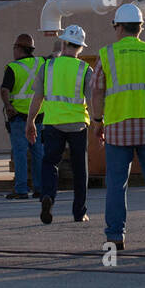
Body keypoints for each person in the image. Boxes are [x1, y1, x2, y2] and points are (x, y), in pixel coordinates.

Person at [93, 3, 145, 250]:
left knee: (117, 184)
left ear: (117, 27)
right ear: (140, 28)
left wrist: (98, 121)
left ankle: (115, 238)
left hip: (118, 127)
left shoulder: (106, 54)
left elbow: (97, 92)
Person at [26, 23, 94, 224]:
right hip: (78, 125)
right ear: (80, 47)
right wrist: (100, 122)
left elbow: (37, 98)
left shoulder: (47, 67)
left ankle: (48, 196)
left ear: (64, 43)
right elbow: (92, 100)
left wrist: (30, 122)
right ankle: (79, 212)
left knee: (50, 163)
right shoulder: (85, 69)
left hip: (53, 123)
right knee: (80, 169)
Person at [1, 33, 46, 200]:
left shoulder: (13, 68)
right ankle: (40, 188)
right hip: (39, 115)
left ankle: (21, 189)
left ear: (19, 49)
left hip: (19, 117)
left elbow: (4, 90)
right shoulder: (41, 63)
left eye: (14, 47)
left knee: (20, 153)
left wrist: (8, 106)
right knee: (38, 153)